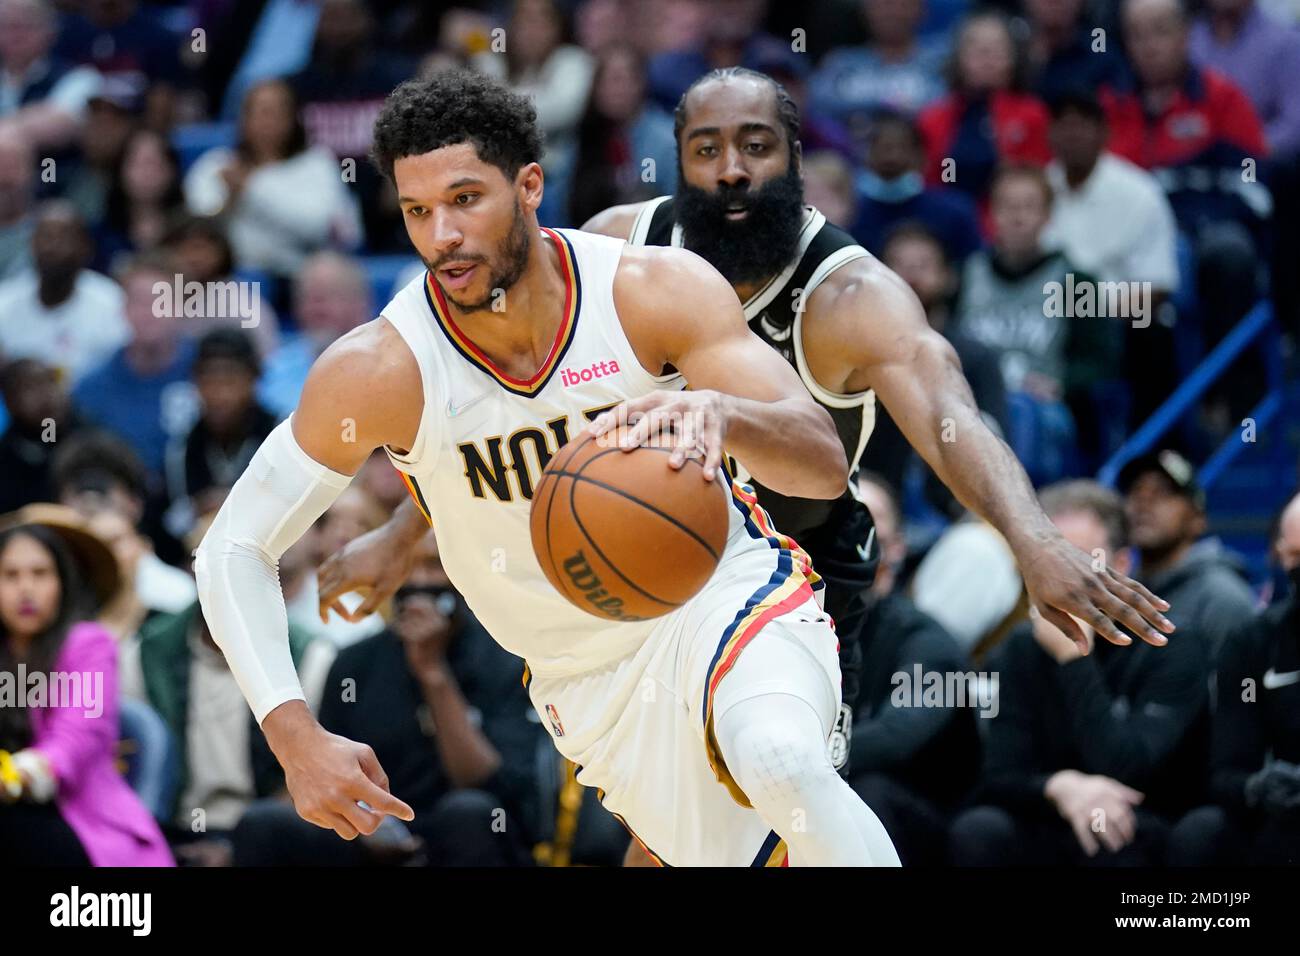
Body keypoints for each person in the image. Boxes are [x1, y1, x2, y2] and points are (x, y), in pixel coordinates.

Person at [310, 68, 1174, 863]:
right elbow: (506, 410)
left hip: (793, 574)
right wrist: (399, 531)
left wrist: (1033, 542)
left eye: (755, 146)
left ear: (795, 157)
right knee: (668, 842)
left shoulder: (847, 295)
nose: (730, 169)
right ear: (677, 161)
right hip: (642, 574)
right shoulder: (618, 250)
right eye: (707, 149)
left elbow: (950, 415)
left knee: (772, 798)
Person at [196, 68, 903, 867]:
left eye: (466, 199)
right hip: (585, 679)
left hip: (725, 596)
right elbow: (233, 547)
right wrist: (294, 736)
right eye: (417, 211)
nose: (442, 236)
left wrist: (724, 414)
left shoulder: (647, 292)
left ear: (529, 185)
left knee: (783, 761)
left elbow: (820, 465)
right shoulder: (380, 370)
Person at [231, 531, 541, 866]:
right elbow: (328, 772)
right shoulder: (354, 664)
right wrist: (366, 827)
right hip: (371, 831)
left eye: (435, 567)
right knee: (263, 825)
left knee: (468, 813)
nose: (420, 581)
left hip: (470, 831)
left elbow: (492, 786)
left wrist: (432, 672)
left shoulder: (507, 658)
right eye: (409, 567)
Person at [949, 481, 1210, 866]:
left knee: (1117, 838)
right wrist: (1060, 786)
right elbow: (999, 775)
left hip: (1141, 816)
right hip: (1048, 813)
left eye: (1077, 562)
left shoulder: (1171, 642)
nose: (1058, 581)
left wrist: (1074, 660)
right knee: (979, 829)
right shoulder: (1022, 645)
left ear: (1121, 565)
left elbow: (1129, 768)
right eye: (1045, 562)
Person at [0, 508, 173, 865]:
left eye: (40, 574)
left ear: (64, 582)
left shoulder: (90, 644)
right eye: (10, 575)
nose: (26, 588)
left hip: (79, 825)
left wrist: (16, 777)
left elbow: (76, 739)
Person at [1167, 490, 1300, 865]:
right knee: (1202, 833)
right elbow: (1226, 773)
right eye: (1296, 558)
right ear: (1281, 555)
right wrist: (1260, 787)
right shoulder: (1255, 641)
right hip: (1287, 823)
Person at [183, 78, 362, 281]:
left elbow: (318, 227)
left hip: (297, 278)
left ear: (293, 119)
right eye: (259, 112)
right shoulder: (216, 165)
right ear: (243, 118)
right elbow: (199, 232)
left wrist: (251, 191)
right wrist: (229, 202)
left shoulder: (316, 164)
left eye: (276, 112)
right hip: (229, 282)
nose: (267, 121)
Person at [1119, 449, 1257, 663]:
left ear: (1197, 519)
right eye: (1135, 490)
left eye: (1163, 492)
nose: (1143, 500)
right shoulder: (1121, 587)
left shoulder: (1222, 597)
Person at [0, 201, 128, 386]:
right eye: (45, 237)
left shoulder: (112, 302)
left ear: (85, 247)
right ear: (32, 244)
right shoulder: (5, 301)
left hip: (91, 409)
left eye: (64, 238)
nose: (52, 247)